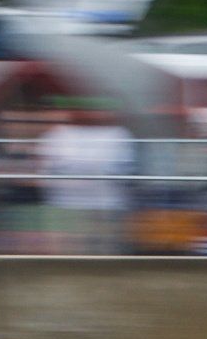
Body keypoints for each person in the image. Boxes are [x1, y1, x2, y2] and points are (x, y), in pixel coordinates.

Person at [38, 106, 135, 254]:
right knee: (68, 254)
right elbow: (47, 172)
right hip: (67, 207)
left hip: (105, 206)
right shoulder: (58, 134)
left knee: (103, 252)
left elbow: (123, 171)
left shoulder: (118, 134)